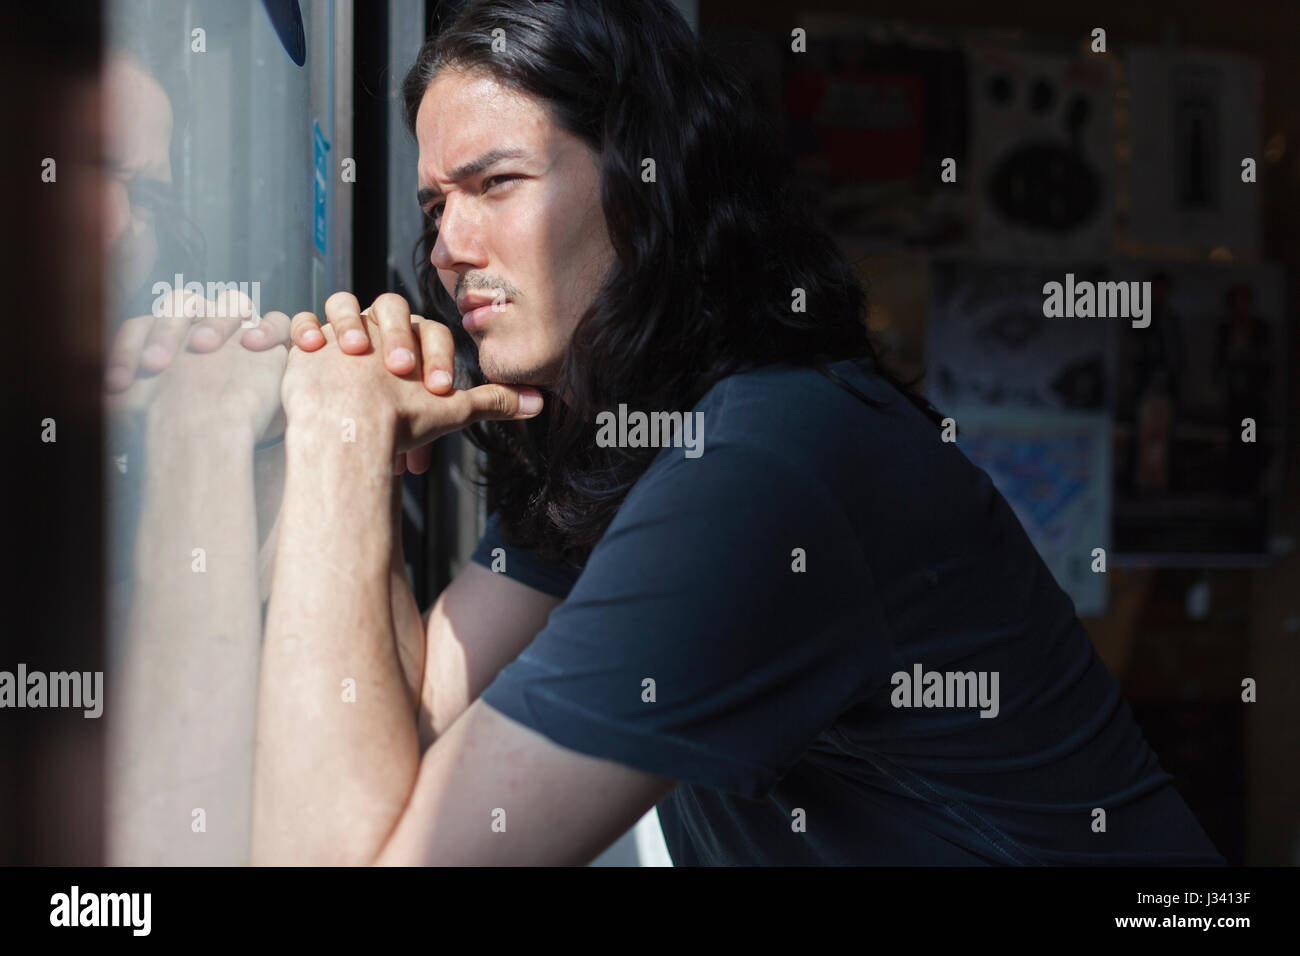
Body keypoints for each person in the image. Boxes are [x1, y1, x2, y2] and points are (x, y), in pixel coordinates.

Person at [252, 0, 1226, 865]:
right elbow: (399, 723)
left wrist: (335, 435)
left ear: (646, 187)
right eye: (434, 205)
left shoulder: (763, 465)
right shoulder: (624, 446)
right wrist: (363, 440)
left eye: (496, 182)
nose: (450, 247)